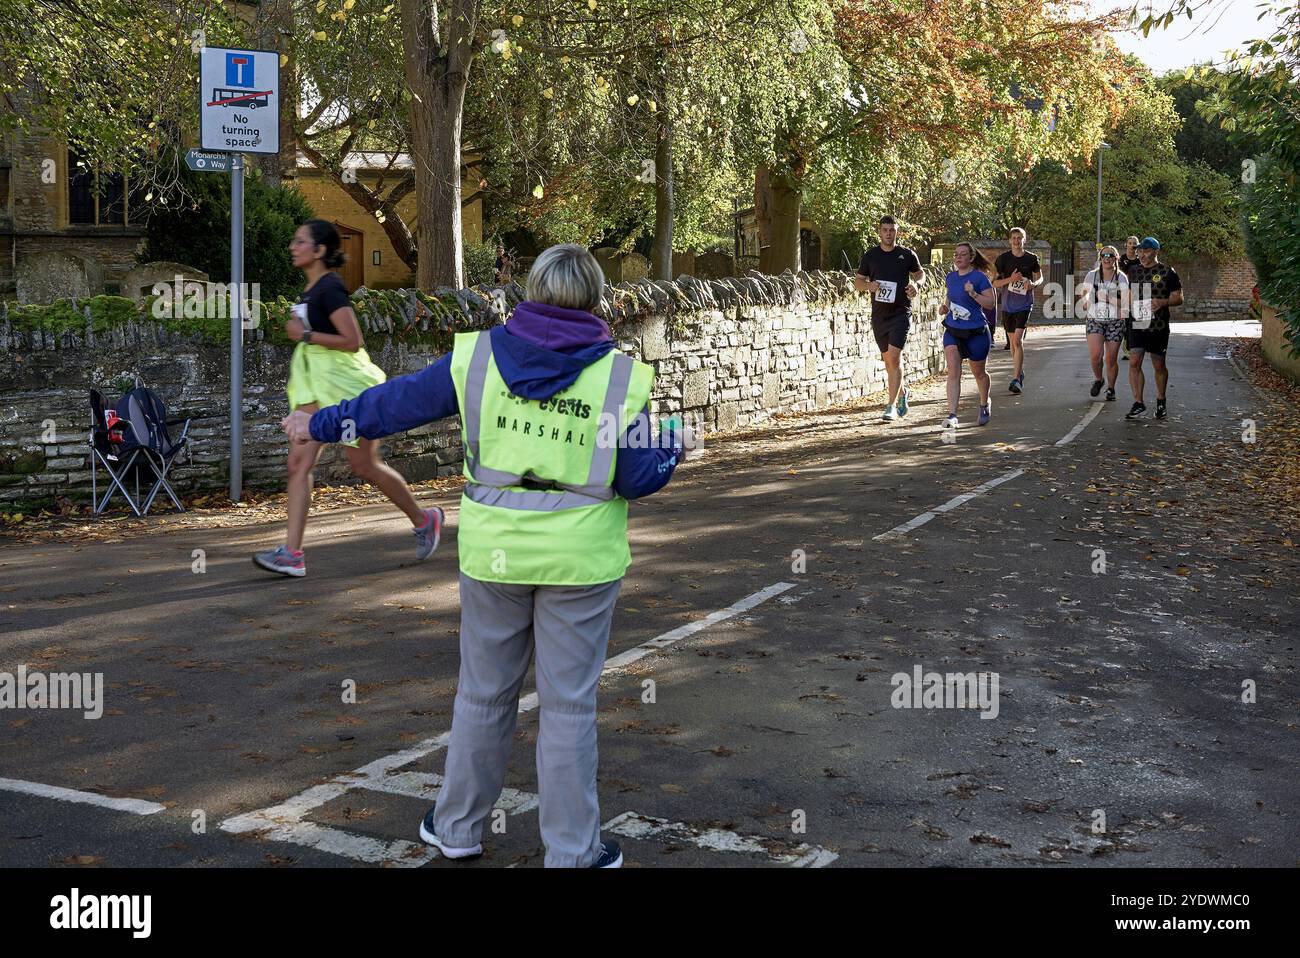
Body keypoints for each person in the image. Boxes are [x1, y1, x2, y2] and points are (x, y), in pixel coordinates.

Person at [283, 243, 682, 868]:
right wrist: (672, 449)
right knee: (569, 707)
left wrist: (323, 423)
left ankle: (458, 827)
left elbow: (397, 402)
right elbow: (635, 477)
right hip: (581, 562)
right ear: (596, 300)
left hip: (494, 553)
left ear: (529, 291)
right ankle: (572, 852)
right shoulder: (620, 377)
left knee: (482, 695)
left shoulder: (478, 357)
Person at [254, 219, 441, 578]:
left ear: (319, 250)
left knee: (363, 466)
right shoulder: (311, 292)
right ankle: (292, 554)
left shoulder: (331, 289)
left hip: (347, 389)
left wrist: (305, 335)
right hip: (316, 389)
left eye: (300, 241)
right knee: (298, 465)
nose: (293, 246)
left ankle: (424, 519)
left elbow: (352, 340)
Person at [853, 215, 925, 421]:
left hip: (901, 312)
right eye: (885, 230)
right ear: (879, 232)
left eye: (892, 230)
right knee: (889, 362)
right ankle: (902, 393)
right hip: (879, 316)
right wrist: (869, 286)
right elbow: (858, 282)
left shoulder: (906, 254)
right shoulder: (870, 256)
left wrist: (916, 285)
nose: (888, 234)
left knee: (894, 357)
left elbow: (921, 274)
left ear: (897, 232)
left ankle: (890, 406)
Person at [937, 242, 996, 429]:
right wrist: (945, 307)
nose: (958, 257)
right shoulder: (950, 277)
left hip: (976, 331)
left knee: (978, 372)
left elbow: (991, 304)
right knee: (954, 370)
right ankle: (952, 415)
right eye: (956, 254)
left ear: (971, 258)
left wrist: (973, 293)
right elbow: (950, 297)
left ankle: (984, 404)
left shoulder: (979, 278)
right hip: (954, 329)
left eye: (963, 254)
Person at [1124, 236, 1182, 420]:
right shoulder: (1133, 271)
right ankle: (1138, 403)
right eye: (1139, 251)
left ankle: (1161, 401)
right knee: (1134, 361)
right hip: (1137, 322)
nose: (1141, 254)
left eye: (1146, 251)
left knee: (1159, 365)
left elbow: (1179, 297)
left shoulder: (1167, 272)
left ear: (1156, 252)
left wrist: (1161, 301)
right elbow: (1129, 294)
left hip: (1158, 325)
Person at [992, 227, 1043, 393]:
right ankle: (1019, 372)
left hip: (1024, 303)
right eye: (1013, 238)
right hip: (1008, 305)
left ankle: (1016, 379)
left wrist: (1033, 285)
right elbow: (994, 283)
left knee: (1017, 341)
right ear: (1009, 240)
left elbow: (1040, 276)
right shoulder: (1003, 259)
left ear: (1024, 240)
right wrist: (1010, 279)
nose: (1016, 240)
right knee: (1013, 343)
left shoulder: (1031, 258)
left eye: (1019, 238)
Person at [1077, 246, 1130, 402]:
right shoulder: (1091, 276)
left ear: (1116, 258)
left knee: (1111, 359)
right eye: (1104, 255)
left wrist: (1107, 298)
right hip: (1095, 320)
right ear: (1100, 258)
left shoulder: (1121, 278)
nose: (1107, 258)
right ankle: (1099, 379)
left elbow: (1126, 303)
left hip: (1115, 322)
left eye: (1110, 255)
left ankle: (1111, 389)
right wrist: (1085, 302)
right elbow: (1084, 296)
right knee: (1095, 356)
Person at [1117, 235, 1141, 361]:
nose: (1132, 245)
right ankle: (1127, 350)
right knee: (1126, 322)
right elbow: (1120, 276)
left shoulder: (1140, 260)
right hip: (1123, 294)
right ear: (1126, 245)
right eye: (1130, 243)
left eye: (1134, 243)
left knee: (1136, 322)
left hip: (1137, 294)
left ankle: (1136, 348)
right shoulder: (1121, 260)